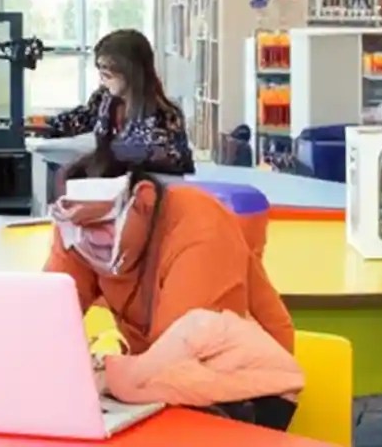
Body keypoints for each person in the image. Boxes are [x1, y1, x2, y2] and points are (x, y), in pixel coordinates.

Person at [45, 155, 296, 429]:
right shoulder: (78, 234)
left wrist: (103, 372)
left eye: (101, 224)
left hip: (242, 393)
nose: (89, 238)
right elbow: (44, 317)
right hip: (156, 390)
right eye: (77, 227)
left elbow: (175, 357)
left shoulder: (200, 224)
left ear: (143, 201)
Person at [43, 29, 194, 175]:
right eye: (101, 74)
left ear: (130, 72)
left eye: (107, 75)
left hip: (149, 186)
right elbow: (81, 119)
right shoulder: (105, 99)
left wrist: (103, 154)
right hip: (110, 181)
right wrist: (41, 125)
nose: (102, 81)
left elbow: (166, 157)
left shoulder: (165, 115)